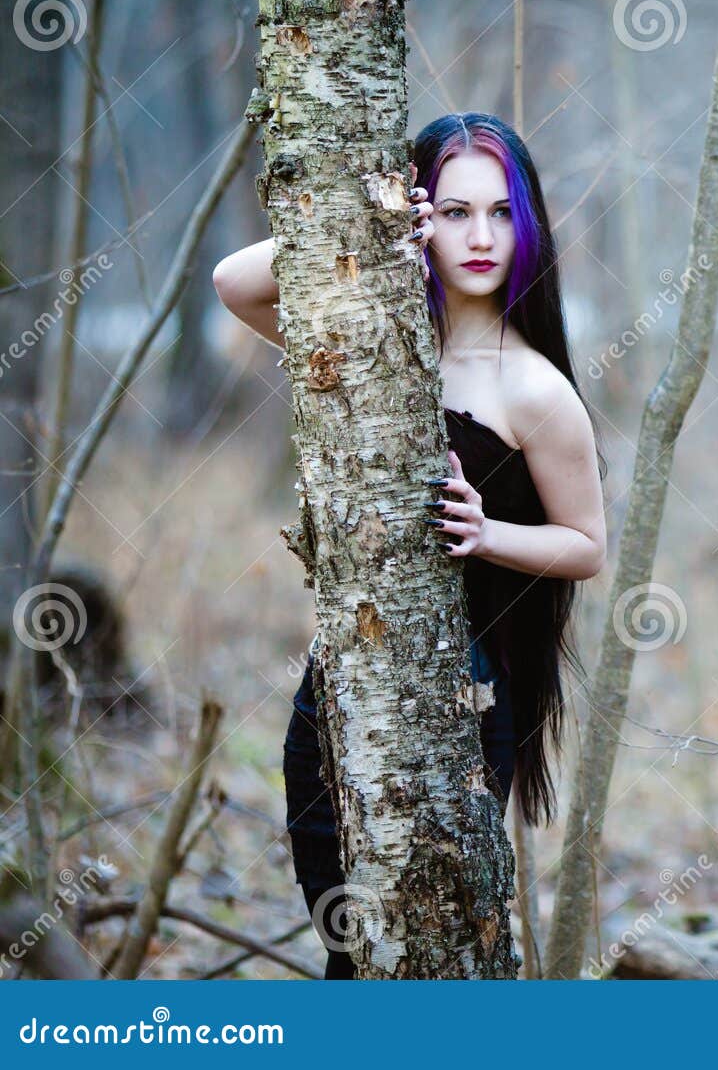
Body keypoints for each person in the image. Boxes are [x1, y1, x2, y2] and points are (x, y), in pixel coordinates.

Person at [212, 112, 607, 978]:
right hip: (341, 687)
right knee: (349, 947)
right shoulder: (371, 343)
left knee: (422, 952)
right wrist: (372, 226)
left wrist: (485, 530)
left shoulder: (534, 387)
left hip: (465, 708)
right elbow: (235, 282)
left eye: (501, 213)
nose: (480, 236)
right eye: (455, 211)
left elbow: (587, 544)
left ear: (529, 225)